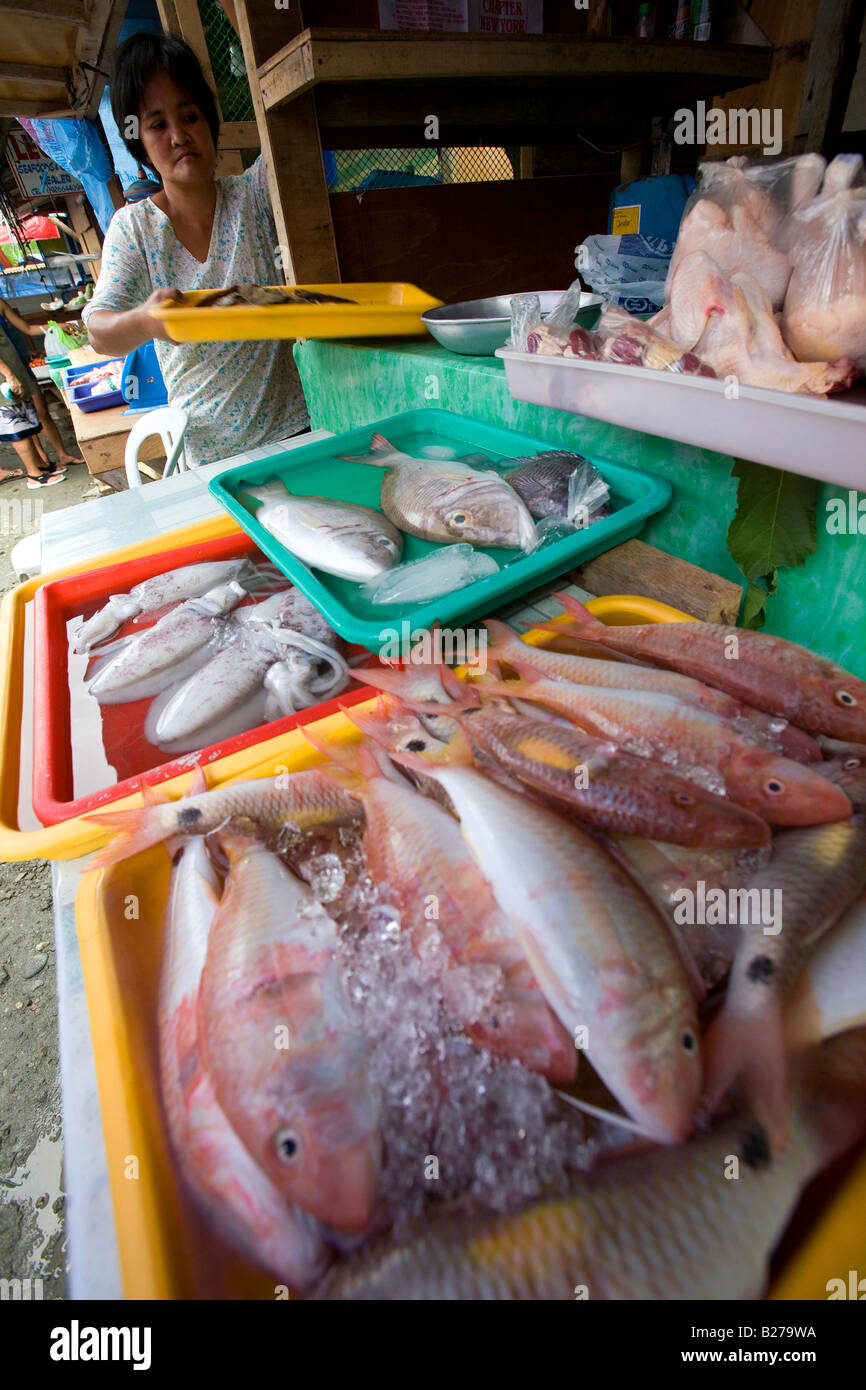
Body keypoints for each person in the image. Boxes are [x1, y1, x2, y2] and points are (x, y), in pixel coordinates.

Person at [83, 33, 309, 471]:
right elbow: (98, 330)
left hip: (297, 431)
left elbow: (294, 122)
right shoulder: (136, 229)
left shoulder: (255, 195)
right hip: (210, 459)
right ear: (139, 143)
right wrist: (144, 321)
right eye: (157, 125)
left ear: (208, 121)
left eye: (189, 115)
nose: (179, 136)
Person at [0, 296, 85, 469]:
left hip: (18, 364)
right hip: (5, 372)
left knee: (39, 411)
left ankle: (61, 455)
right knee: (21, 419)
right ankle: (42, 463)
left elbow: (27, 328)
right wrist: (8, 374)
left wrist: (56, 326)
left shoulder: (1, 303)